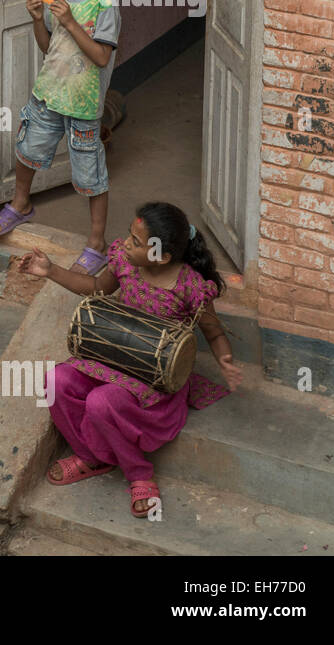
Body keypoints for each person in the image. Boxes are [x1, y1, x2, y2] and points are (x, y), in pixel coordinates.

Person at [18, 201, 243, 518]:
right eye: (129, 235)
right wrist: (50, 270)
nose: (124, 244)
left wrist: (226, 360)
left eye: (136, 242)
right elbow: (96, 288)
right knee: (55, 380)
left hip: (153, 380)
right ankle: (90, 456)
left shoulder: (190, 287)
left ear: (161, 256)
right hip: (110, 357)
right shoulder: (124, 262)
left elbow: (214, 333)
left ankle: (139, 474)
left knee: (101, 402)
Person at [0, 0, 120, 277]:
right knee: (27, 150)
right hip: (47, 95)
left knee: (91, 175)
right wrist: (37, 20)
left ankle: (95, 243)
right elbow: (49, 47)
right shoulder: (56, 3)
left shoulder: (104, 4)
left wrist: (71, 21)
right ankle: (21, 203)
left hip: (84, 106)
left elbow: (102, 57)